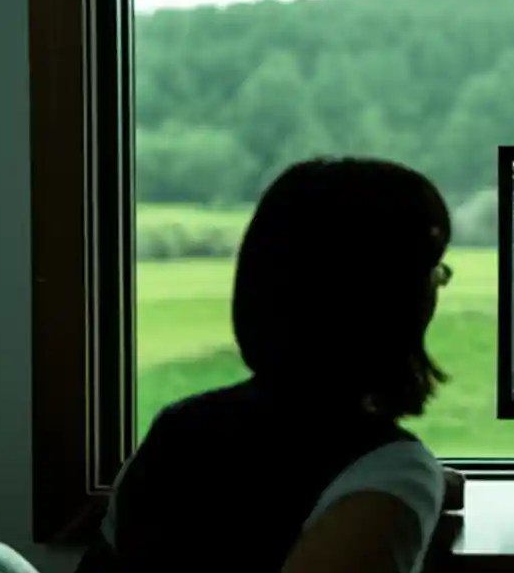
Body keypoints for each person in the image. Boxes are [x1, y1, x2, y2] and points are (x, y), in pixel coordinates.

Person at [77, 158, 464, 573]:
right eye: (434, 272)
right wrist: (401, 481)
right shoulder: (392, 472)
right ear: (394, 301)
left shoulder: (175, 432)